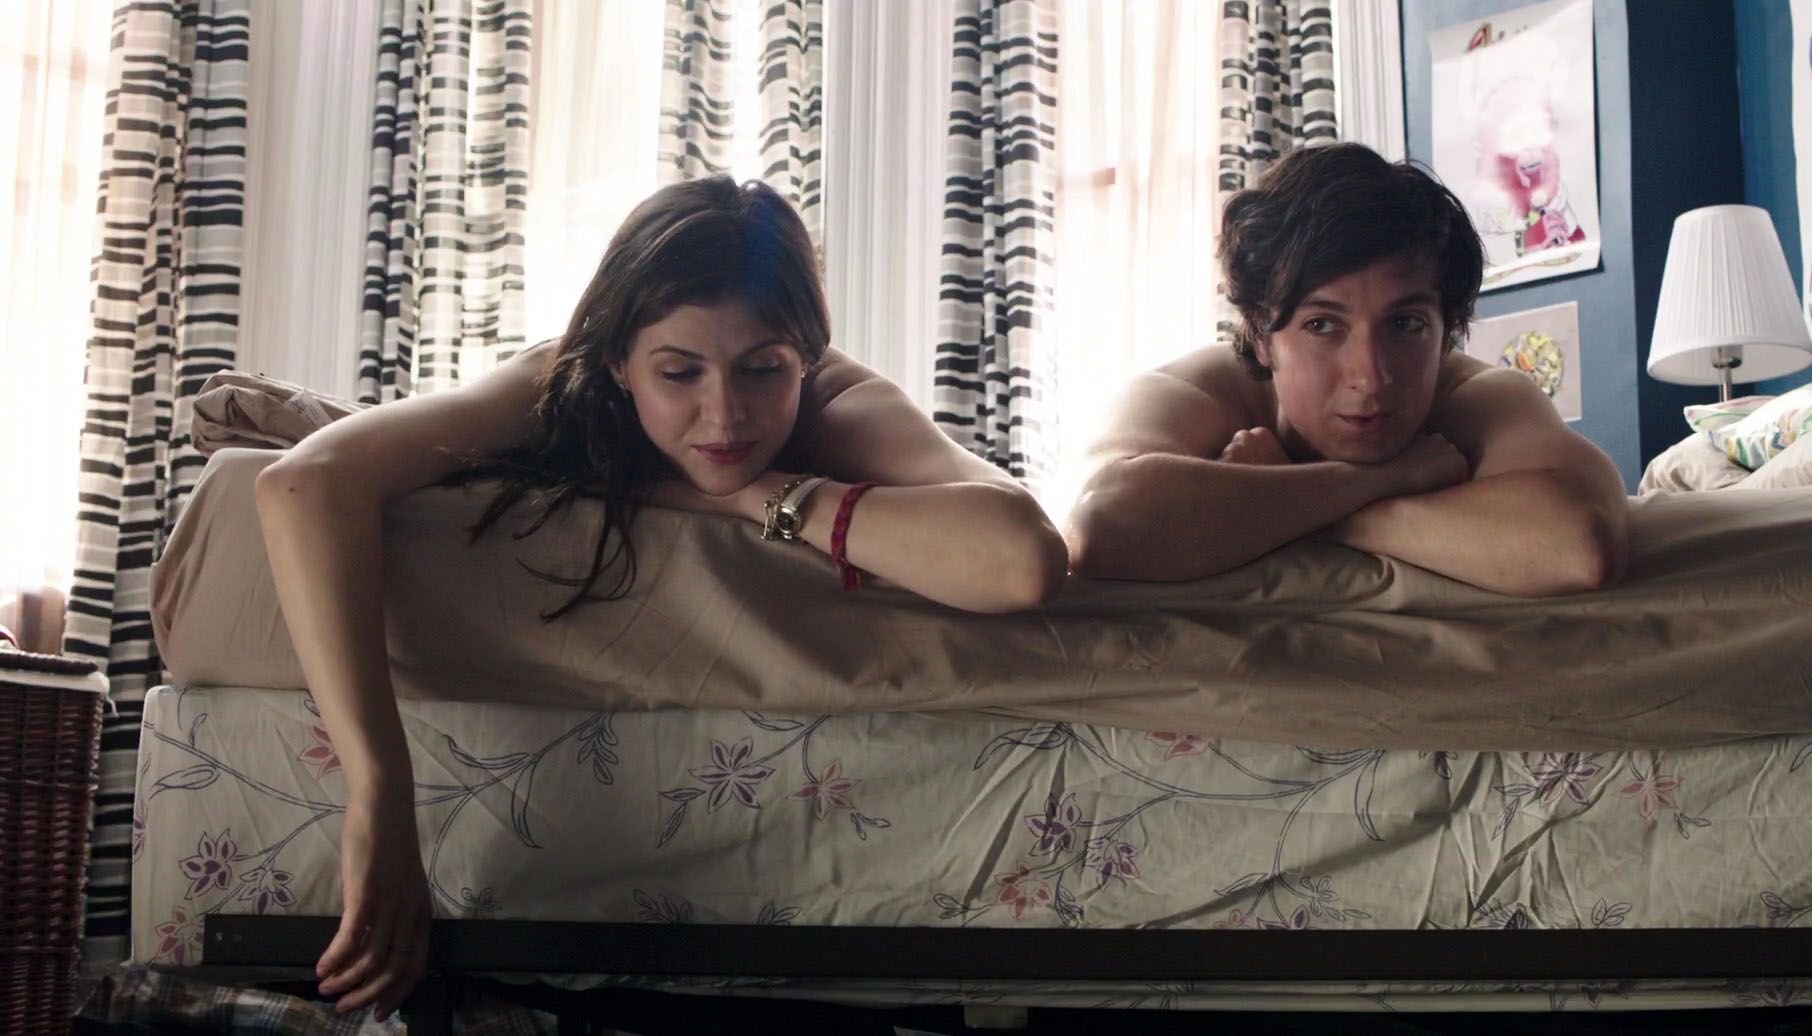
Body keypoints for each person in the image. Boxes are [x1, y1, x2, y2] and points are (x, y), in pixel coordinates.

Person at [255, 176, 1067, 1018]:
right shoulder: (558, 384)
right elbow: (303, 482)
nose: (725, 416)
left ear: (805, 356)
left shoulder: (838, 403)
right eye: (679, 373)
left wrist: (766, 495)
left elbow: (1023, 559)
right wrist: (379, 792)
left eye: (764, 369)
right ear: (616, 360)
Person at [1066, 143, 1628, 595]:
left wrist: (1290, 505)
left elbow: (1576, 546)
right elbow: (1100, 527)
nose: (1371, 377)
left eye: (1405, 324)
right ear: (1261, 335)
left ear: (1447, 330)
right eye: (1321, 325)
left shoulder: (1480, 396)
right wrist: (1384, 478)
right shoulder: (1190, 393)